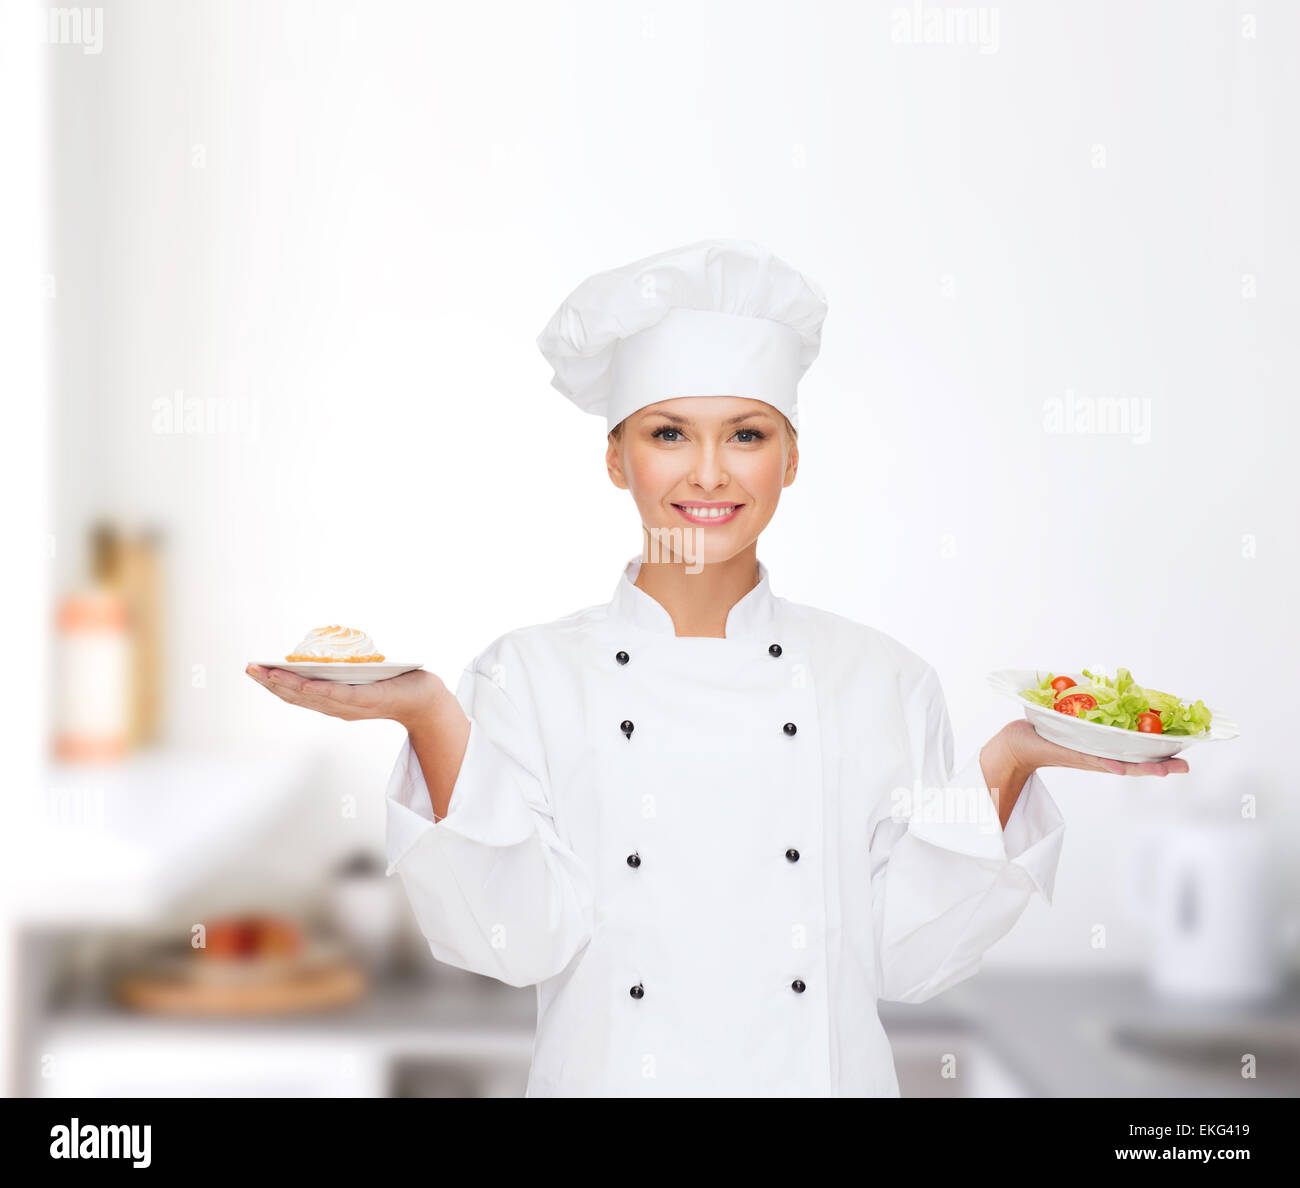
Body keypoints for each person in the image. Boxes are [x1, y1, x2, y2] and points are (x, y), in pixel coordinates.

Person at [246, 239, 1189, 1096]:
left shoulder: (881, 680)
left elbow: (907, 957)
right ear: (616, 460)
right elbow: (510, 939)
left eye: (746, 434)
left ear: (791, 459)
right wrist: (430, 719)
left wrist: (1010, 764)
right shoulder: (526, 676)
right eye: (668, 434)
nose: (708, 474)